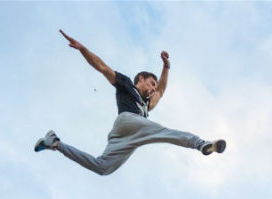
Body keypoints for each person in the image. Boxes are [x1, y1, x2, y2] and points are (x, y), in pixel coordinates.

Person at [35, 30, 226, 175]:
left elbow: (160, 91)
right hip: (127, 121)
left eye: (154, 87)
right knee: (163, 132)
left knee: (103, 167)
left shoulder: (146, 105)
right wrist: (83, 49)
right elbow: (102, 67)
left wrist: (166, 67)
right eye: (151, 84)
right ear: (140, 79)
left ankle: (55, 143)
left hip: (124, 138)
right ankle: (200, 144)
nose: (153, 89)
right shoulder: (126, 84)